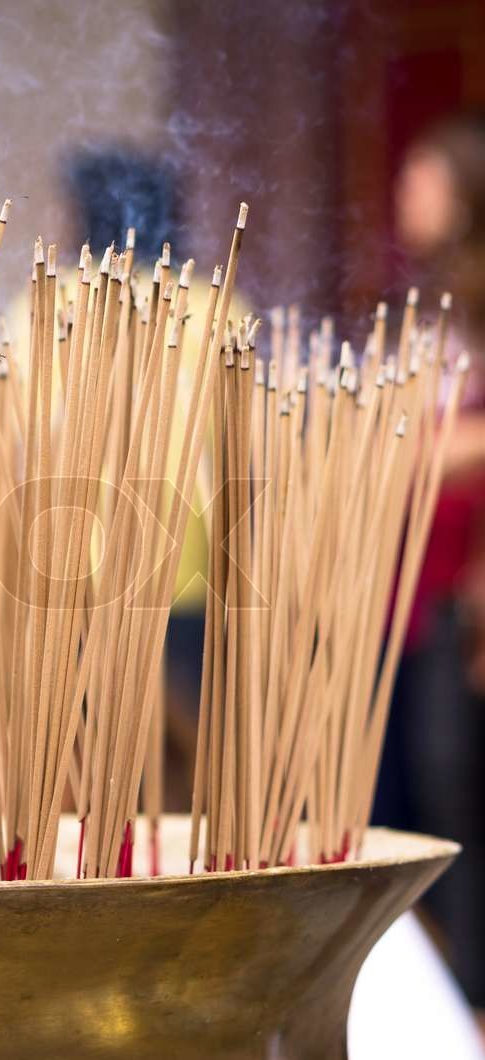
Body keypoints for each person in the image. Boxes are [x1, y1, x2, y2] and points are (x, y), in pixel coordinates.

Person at [381, 109, 485, 1008]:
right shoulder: (428, 300)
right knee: (416, 796)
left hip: (466, 595)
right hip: (412, 598)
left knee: (460, 811)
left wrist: (440, 448)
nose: (405, 191)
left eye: (424, 174)